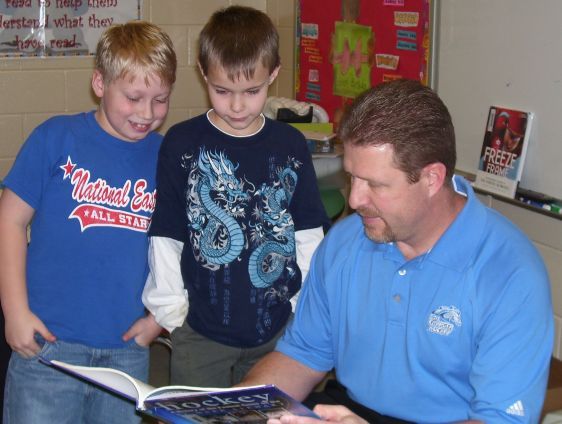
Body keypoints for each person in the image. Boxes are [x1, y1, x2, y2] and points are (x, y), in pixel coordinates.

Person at [241, 79, 554, 423]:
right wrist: (233, 411)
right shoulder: (346, 241)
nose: (354, 199)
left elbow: (499, 420)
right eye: (352, 177)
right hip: (347, 410)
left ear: (432, 179)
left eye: (375, 184)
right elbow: (303, 354)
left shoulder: (510, 272)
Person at [142, 5, 329, 388]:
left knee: (268, 413)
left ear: (273, 74)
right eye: (223, 91)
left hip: (277, 330)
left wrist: (303, 308)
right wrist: (172, 313)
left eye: (252, 91)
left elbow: (308, 232)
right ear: (203, 71)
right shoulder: (182, 142)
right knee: (193, 413)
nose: (238, 106)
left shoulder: (290, 144)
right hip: (200, 331)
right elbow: (166, 233)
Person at [0, 21, 177, 423]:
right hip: (47, 346)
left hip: (126, 351)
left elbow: (181, 247)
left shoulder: (167, 157)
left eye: (160, 100)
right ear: (100, 83)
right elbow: (9, 222)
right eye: (133, 98)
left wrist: (159, 320)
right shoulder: (55, 138)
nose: (147, 113)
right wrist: (15, 312)